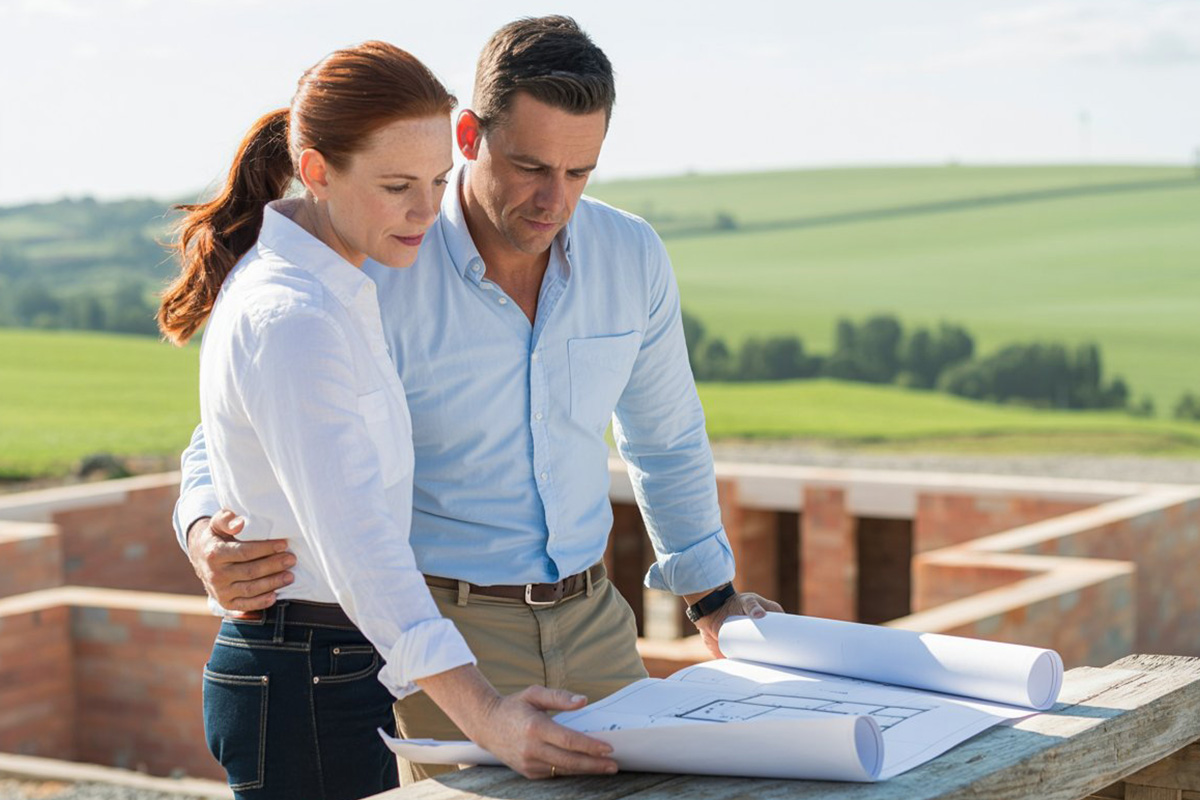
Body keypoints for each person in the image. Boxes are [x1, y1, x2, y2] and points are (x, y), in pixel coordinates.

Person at [174, 17, 782, 785]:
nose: (553, 198)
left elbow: (665, 439)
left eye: (580, 171)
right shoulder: (373, 258)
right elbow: (239, 426)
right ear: (469, 133)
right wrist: (202, 527)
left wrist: (715, 600)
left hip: (596, 618)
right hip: (440, 631)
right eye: (530, 166)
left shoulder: (632, 256)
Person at [158, 41, 618, 800]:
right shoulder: (295, 317)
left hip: (333, 668)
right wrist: (490, 716)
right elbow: (361, 546)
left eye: (438, 182)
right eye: (398, 185)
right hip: (305, 674)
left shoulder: (344, 281)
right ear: (315, 169)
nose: (426, 212)